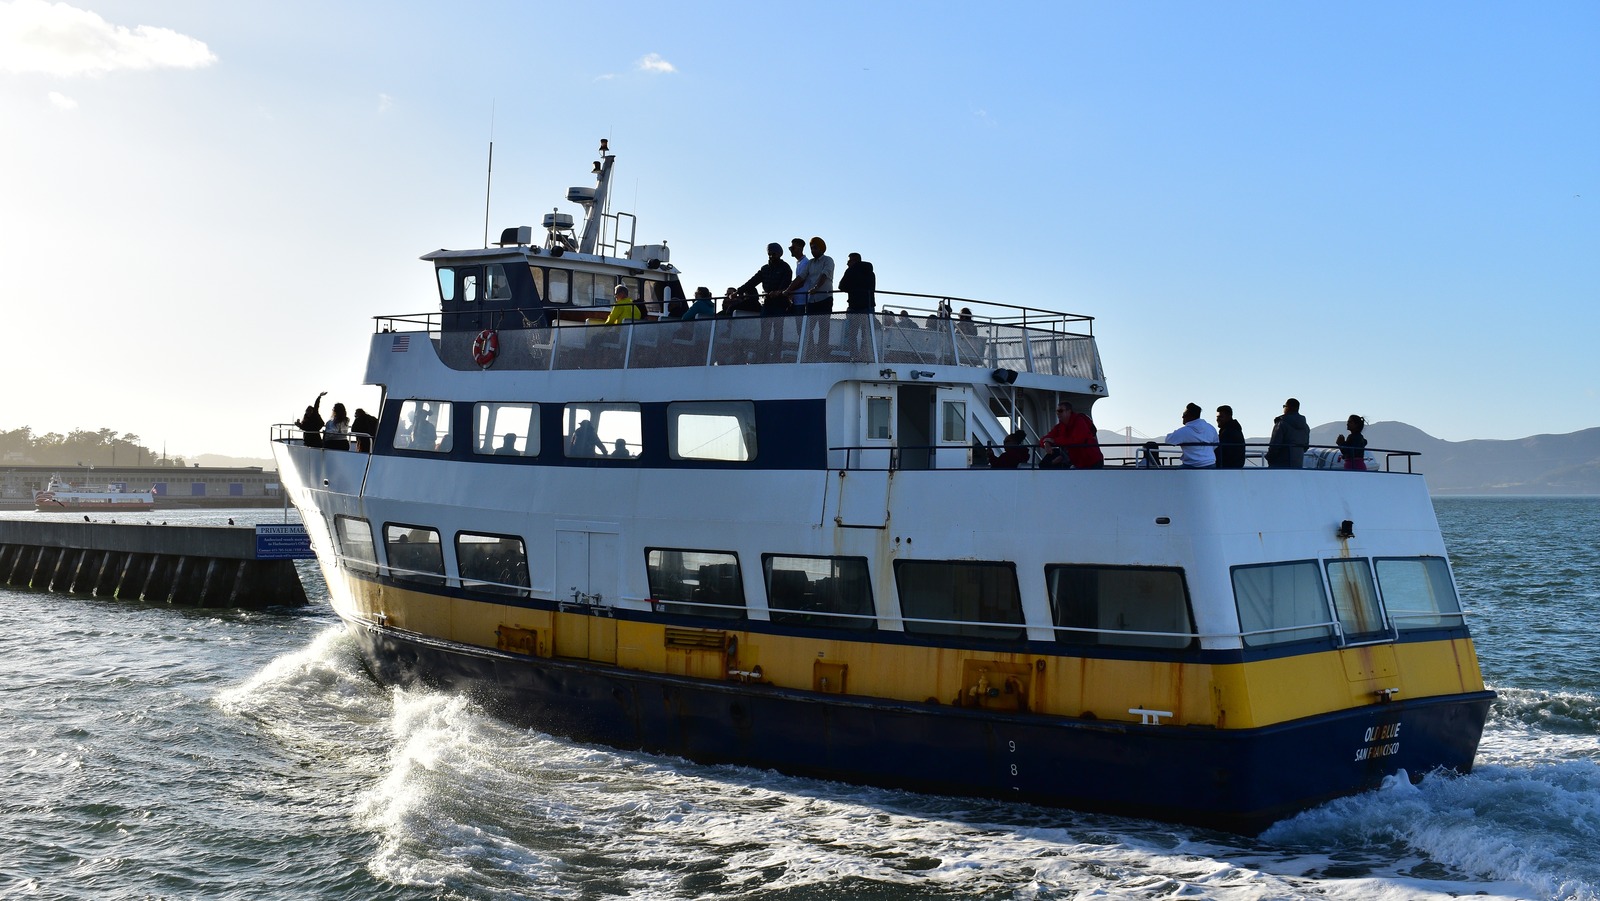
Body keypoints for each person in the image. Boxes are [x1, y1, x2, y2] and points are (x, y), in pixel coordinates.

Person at [1040, 401, 1104, 469]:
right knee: (1044, 464)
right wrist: (1046, 443)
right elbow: (1044, 438)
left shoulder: (1079, 421)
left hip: (1092, 462)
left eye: (1060, 411)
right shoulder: (1060, 427)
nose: (1058, 413)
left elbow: (1076, 440)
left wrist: (1054, 441)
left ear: (1069, 411)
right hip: (1079, 463)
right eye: (1057, 411)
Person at [837, 252, 876, 355]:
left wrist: (851, 288)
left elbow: (841, 286)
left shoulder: (850, 271)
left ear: (854, 260)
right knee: (866, 334)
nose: (847, 263)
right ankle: (866, 355)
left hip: (854, 307)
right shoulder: (870, 272)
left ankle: (854, 355)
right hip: (868, 306)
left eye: (849, 260)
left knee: (852, 334)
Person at [1165, 403, 1218, 468]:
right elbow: (1216, 444)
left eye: (1184, 414)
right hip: (1211, 464)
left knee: (1172, 475)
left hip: (1192, 465)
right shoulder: (1211, 428)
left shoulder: (1184, 431)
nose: (1182, 417)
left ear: (1190, 416)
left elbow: (1168, 440)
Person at [1267, 397, 1310, 469]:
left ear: (1288, 408)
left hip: (1280, 463)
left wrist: (1269, 458)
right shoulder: (1305, 426)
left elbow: (1275, 445)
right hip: (1297, 464)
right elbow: (1305, 446)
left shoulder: (1281, 423)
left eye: (1284, 406)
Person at [781, 237, 810, 314]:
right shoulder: (800, 262)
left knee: (801, 325)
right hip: (798, 300)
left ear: (800, 248)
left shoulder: (805, 263)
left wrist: (788, 290)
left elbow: (801, 282)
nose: (791, 249)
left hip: (802, 301)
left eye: (793, 247)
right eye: (790, 248)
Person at [1214, 405, 1245, 469]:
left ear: (1229, 417)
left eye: (1221, 417)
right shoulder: (1234, 430)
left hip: (1227, 468)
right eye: (1217, 417)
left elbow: (1223, 452)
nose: (1218, 419)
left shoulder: (1228, 432)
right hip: (1233, 467)